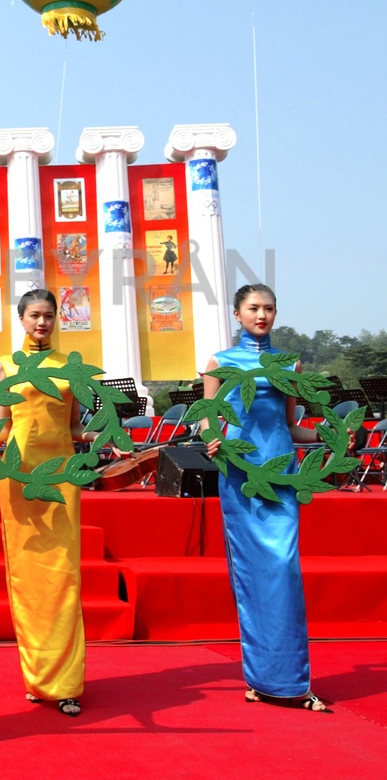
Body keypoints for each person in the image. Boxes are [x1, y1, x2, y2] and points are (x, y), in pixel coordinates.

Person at [0, 288, 125, 716]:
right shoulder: (6, 367)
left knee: (62, 575)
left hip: (62, 477)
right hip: (19, 477)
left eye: (49, 316)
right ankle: (37, 677)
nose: (42, 323)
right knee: (28, 577)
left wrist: (109, 439)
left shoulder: (72, 371)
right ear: (21, 318)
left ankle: (66, 682)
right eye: (34, 315)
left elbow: (73, 428)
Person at [202, 284, 330, 712]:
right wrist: (212, 440)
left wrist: (331, 436)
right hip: (241, 475)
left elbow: (291, 426)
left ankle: (291, 681)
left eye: (269, 308)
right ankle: (261, 680)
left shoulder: (289, 363)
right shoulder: (219, 362)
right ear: (236, 313)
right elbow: (208, 423)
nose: (262, 315)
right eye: (254, 308)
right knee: (253, 574)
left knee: (284, 569)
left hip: (281, 478)